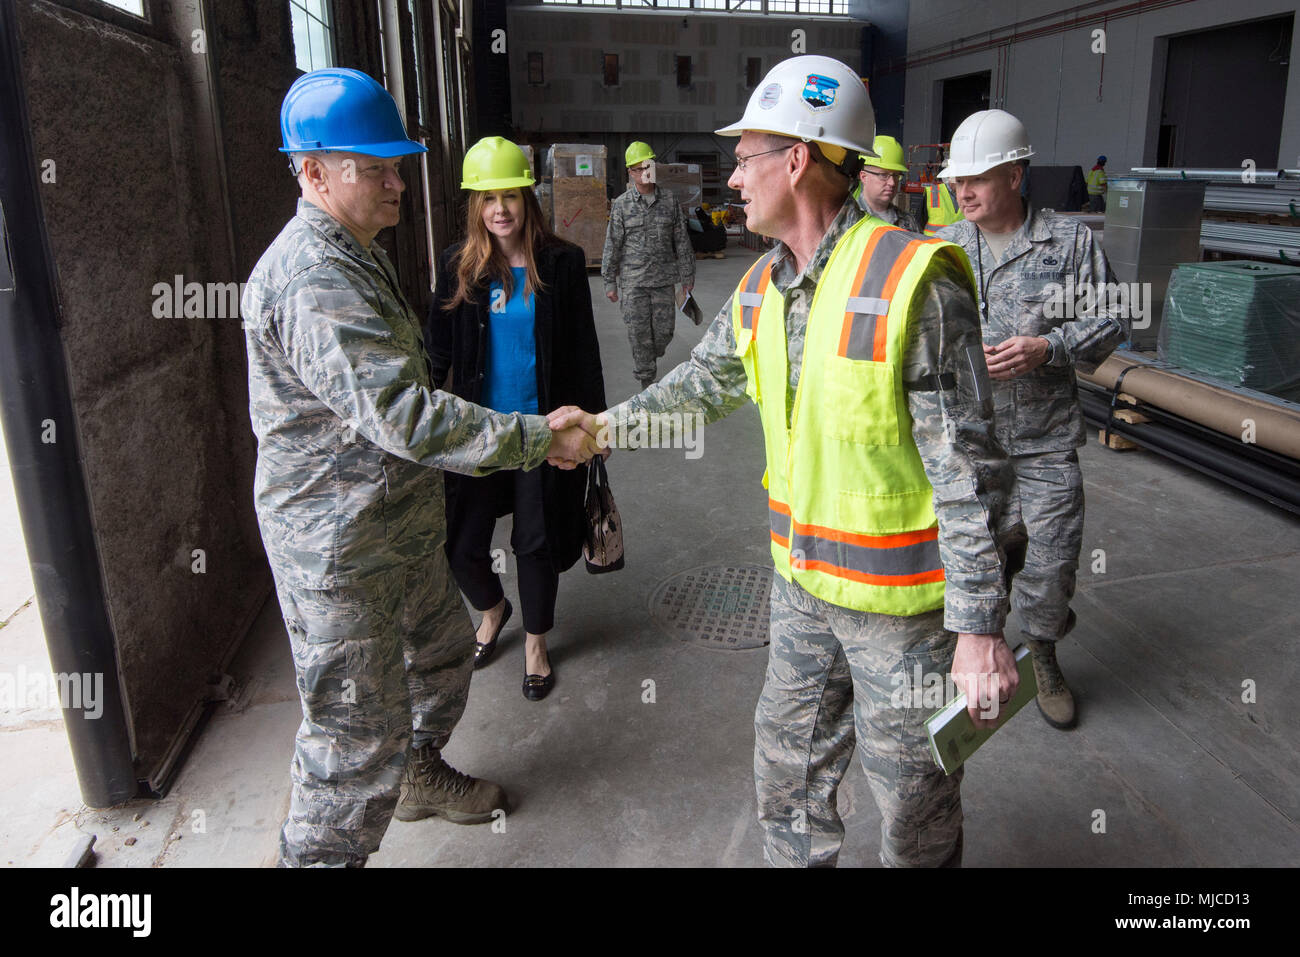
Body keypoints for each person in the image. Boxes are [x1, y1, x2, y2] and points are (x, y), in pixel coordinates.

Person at [552, 55, 1020, 868]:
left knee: (914, 798)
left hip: (900, 614)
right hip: (802, 587)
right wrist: (599, 430)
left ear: (798, 159)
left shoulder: (914, 281)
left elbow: (969, 471)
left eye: (745, 156)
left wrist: (979, 628)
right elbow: (696, 391)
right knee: (786, 769)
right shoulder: (764, 286)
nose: (732, 177)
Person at [241, 70, 595, 867]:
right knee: (351, 744)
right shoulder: (313, 279)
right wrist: (539, 436)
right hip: (339, 548)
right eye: (378, 168)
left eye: (398, 164)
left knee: (440, 655)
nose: (398, 182)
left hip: (392, 527)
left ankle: (419, 774)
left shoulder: (357, 253)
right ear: (315, 172)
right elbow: (405, 413)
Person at [937, 110, 1128, 730]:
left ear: (1016, 175)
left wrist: (1051, 347)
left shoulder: (1068, 244)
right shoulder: (943, 249)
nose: (963, 191)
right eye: (957, 180)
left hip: (1045, 443)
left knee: (1050, 569)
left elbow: (1113, 320)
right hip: (971, 442)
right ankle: (973, 654)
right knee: (975, 562)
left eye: (978, 178)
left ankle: (1043, 650)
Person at [426, 136, 607, 702]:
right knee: (462, 545)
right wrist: (408, 414)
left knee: (535, 542)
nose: (499, 209)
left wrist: (596, 427)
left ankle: (535, 643)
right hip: (476, 434)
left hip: (541, 431)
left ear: (528, 199)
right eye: (487, 198)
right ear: (474, 206)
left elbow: (583, 349)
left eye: (510, 195)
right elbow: (438, 352)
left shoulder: (562, 262)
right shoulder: (459, 266)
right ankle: (493, 608)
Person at [601, 141, 696, 389]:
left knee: (664, 333)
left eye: (647, 167)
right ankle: (646, 381)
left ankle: (650, 360)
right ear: (629, 173)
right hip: (634, 283)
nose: (643, 173)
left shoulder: (669, 201)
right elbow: (612, 243)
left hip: (664, 280)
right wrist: (610, 280)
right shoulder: (622, 205)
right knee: (640, 335)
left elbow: (682, 241)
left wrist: (687, 276)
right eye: (636, 169)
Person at [855, 134, 921, 231]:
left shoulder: (908, 221)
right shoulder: (849, 219)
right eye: (884, 175)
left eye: (896, 175)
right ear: (864, 177)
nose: (892, 183)